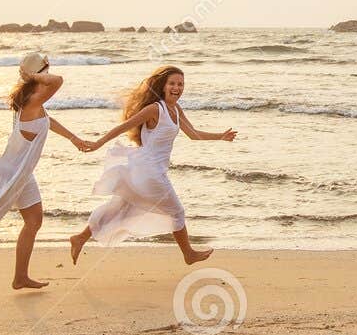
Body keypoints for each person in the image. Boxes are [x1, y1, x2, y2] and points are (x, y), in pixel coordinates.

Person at [0, 52, 94, 300]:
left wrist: (72, 137)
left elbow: (47, 120)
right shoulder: (34, 94)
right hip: (11, 174)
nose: (49, 71)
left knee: (34, 220)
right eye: (46, 68)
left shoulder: (34, 101)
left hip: (22, 173)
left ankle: (20, 277)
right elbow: (58, 80)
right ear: (40, 71)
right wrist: (32, 75)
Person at [70, 65, 236, 266]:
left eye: (180, 84)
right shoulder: (155, 109)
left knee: (121, 205)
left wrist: (221, 137)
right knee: (177, 212)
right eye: (172, 83)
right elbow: (124, 126)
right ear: (163, 86)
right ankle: (188, 254)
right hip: (149, 172)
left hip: (147, 170)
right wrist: (98, 143)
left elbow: (193, 134)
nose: (177, 87)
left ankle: (80, 238)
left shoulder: (175, 110)